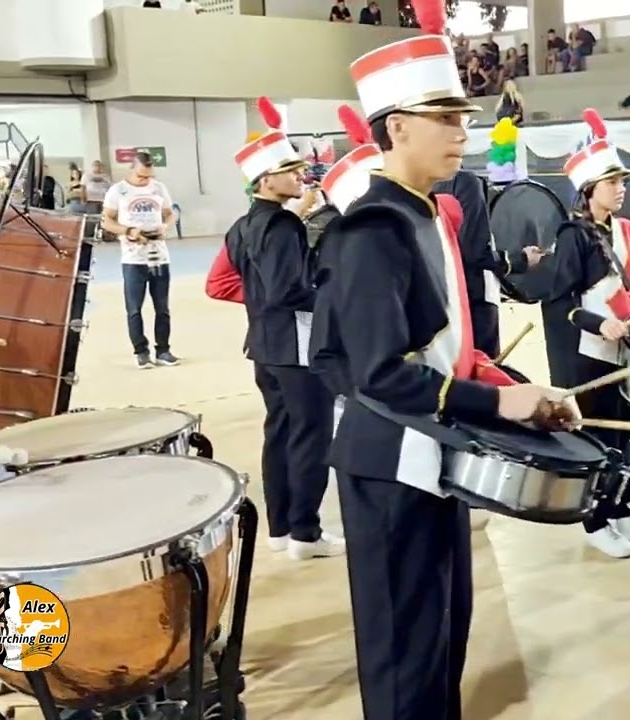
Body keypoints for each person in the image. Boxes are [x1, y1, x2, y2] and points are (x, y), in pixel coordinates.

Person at [308, 5, 576, 716]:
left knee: (441, 639)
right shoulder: (371, 231)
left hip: (434, 452)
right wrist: (496, 404)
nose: (465, 133)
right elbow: (378, 372)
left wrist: (517, 387)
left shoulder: (425, 214)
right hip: (389, 463)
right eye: (446, 120)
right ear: (396, 128)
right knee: (405, 653)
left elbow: (446, 346)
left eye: (464, 119)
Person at [540, 108, 630, 559]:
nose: (623, 189)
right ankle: (594, 518)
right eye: (613, 183)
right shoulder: (573, 235)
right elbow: (561, 305)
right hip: (587, 351)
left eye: (622, 182)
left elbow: (627, 288)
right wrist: (601, 324)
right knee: (599, 435)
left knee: (627, 433)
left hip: (623, 348)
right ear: (589, 190)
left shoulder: (621, 229)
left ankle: (620, 508)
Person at [228, 98, 342, 560]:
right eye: (291, 171)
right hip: (295, 345)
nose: (301, 178)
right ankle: (306, 533)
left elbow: (247, 280)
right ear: (265, 180)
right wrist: (332, 296)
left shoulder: (242, 225)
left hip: (264, 345)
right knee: (310, 435)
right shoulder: (283, 226)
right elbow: (286, 290)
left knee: (279, 433)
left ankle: (280, 527)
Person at [433, 169, 544, 357]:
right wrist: (520, 260)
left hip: (439, 301)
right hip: (475, 300)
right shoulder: (464, 183)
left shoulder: (412, 189)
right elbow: (474, 252)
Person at [101, 152, 179, 369]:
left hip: (159, 257)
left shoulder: (158, 188)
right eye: (142, 176)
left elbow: (171, 214)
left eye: (149, 176)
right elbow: (107, 221)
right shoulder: (118, 191)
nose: (146, 180)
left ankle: (163, 350)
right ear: (131, 169)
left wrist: (165, 226)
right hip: (133, 259)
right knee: (134, 308)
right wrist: (128, 231)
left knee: (162, 307)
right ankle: (141, 352)